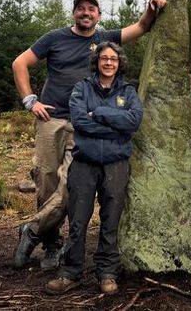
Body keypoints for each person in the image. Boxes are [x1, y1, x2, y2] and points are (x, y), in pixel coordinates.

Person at [12, 0, 165, 270]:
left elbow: (142, 26)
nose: (86, 13)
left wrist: (153, 6)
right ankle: (51, 245)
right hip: (51, 119)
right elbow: (19, 63)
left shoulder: (103, 41)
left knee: (68, 187)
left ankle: (32, 230)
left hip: (84, 125)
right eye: (81, 8)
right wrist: (29, 100)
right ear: (74, 13)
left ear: (99, 15)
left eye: (91, 9)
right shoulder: (54, 38)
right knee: (46, 182)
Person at [45, 42, 143, 296]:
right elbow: (79, 122)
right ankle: (70, 272)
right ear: (97, 62)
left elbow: (133, 121)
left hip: (116, 165)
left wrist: (99, 112)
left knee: (111, 220)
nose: (108, 63)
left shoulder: (128, 91)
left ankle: (107, 272)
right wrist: (114, 126)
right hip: (84, 164)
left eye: (113, 59)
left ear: (119, 63)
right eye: (104, 58)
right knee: (77, 221)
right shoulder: (81, 89)